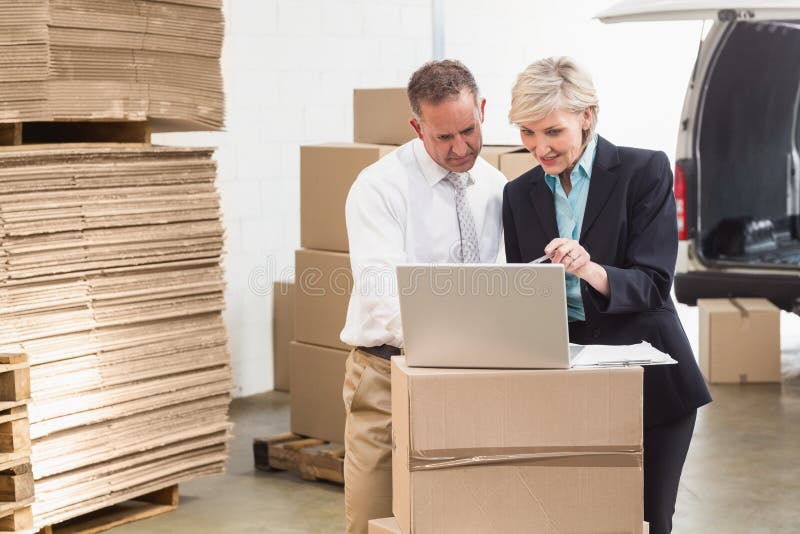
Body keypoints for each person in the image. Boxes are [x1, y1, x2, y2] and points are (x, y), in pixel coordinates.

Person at [502, 56, 712, 534]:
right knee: (578, 519)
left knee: (647, 519)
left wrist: (592, 270)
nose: (540, 148)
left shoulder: (644, 171)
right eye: (528, 133)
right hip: (569, 383)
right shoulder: (518, 195)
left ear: (587, 116)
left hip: (651, 377)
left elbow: (655, 282)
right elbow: (525, 296)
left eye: (552, 131)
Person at [339, 60, 507, 534]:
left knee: (462, 516)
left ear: (483, 111)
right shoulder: (380, 187)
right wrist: (449, 348)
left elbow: (505, 283)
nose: (461, 148)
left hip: (473, 377)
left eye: (469, 131)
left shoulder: (495, 187)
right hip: (389, 374)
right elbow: (382, 292)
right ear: (417, 127)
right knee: (374, 518)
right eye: (443, 138)